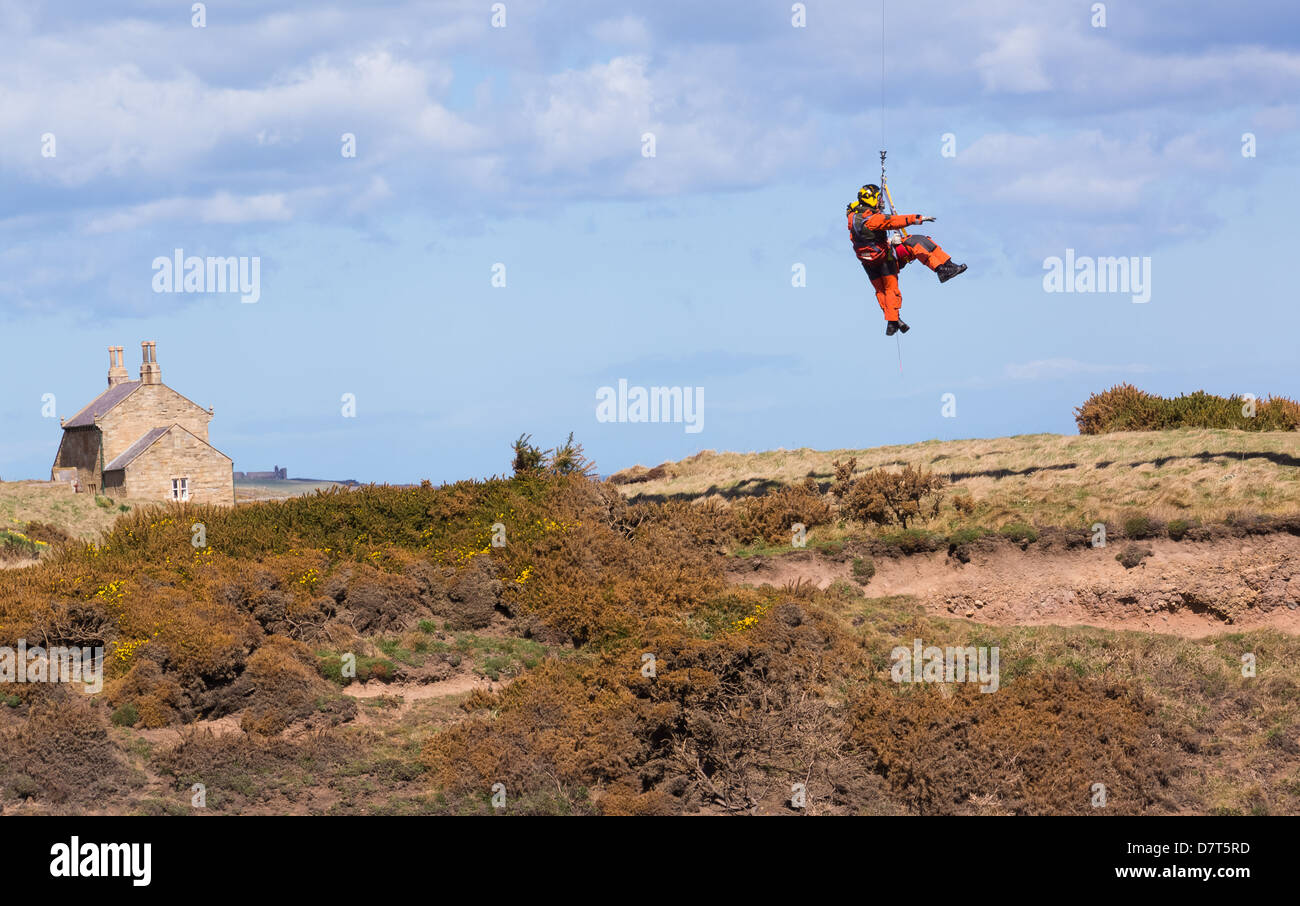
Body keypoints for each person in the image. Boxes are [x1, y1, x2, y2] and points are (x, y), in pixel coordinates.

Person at [847, 184, 967, 335]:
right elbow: (894, 221)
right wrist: (917, 219)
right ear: (871, 200)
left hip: (869, 263)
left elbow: (852, 208)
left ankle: (892, 322)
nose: (880, 202)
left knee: (881, 291)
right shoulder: (875, 220)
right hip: (886, 259)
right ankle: (942, 268)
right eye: (878, 198)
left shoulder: (852, 217)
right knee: (918, 241)